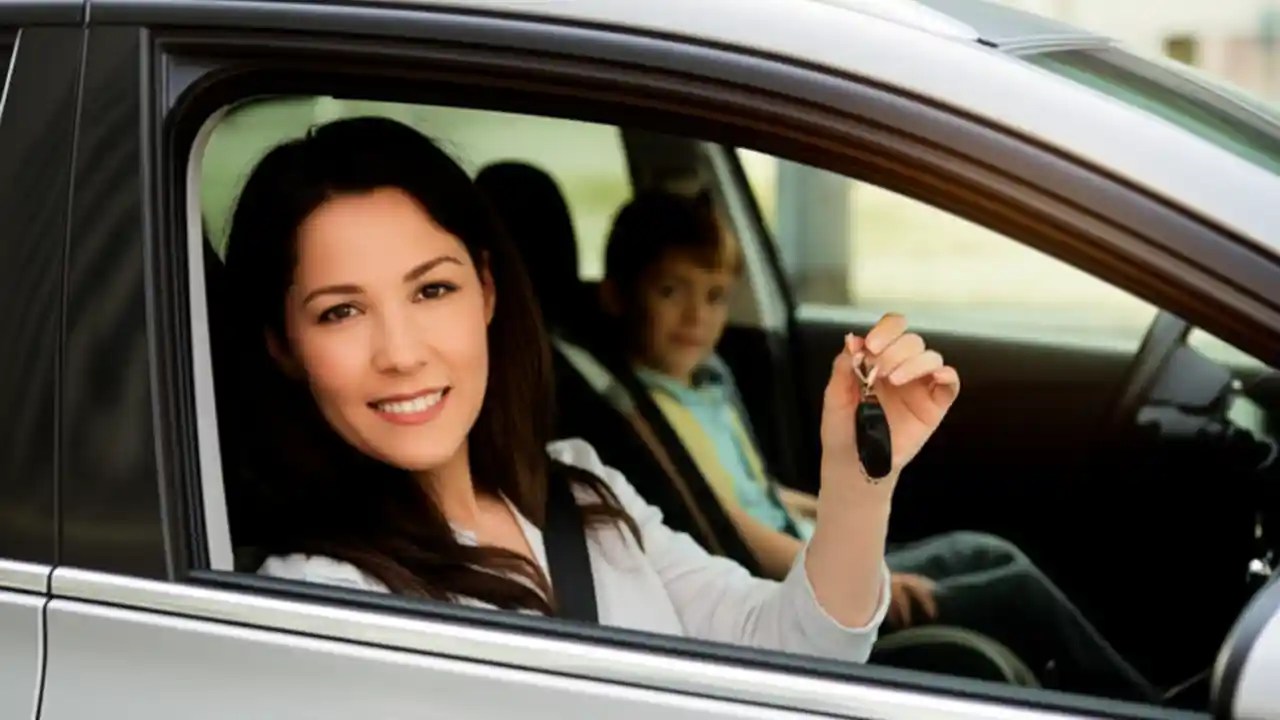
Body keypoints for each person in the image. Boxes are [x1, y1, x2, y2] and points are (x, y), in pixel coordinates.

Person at [214, 116, 960, 662]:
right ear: (285, 345)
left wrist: (861, 476)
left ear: (487, 293)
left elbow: (798, 650)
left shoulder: (582, 488)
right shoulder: (318, 597)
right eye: (341, 311)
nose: (401, 353)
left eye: (432, 290)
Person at [598, 190, 1159, 702]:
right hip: (798, 588)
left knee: (984, 549)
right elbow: (731, 522)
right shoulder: (639, 415)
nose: (697, 316)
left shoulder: (707, 386)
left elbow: (758, 491)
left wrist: (834, 508)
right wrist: (872, 576)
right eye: (671, 291)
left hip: (812, 548)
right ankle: (1151, 707)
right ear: (617, 296)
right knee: (1016, 596)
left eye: (716, 296)